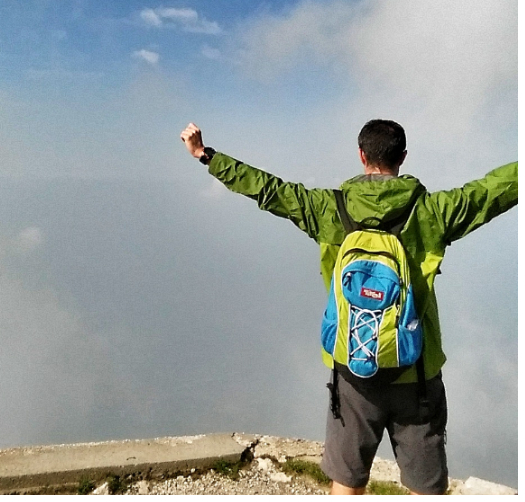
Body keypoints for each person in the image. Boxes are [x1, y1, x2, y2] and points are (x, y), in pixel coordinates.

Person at [179, 120, 516, 496]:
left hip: (353, 367)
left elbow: (269, 190)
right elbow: (493, 190)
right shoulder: (433, 212)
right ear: (402, 157)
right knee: (426, 488)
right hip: (416, 374)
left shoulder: (328, 209)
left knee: (347, 480)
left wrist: (206, 156)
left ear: (362, 156)